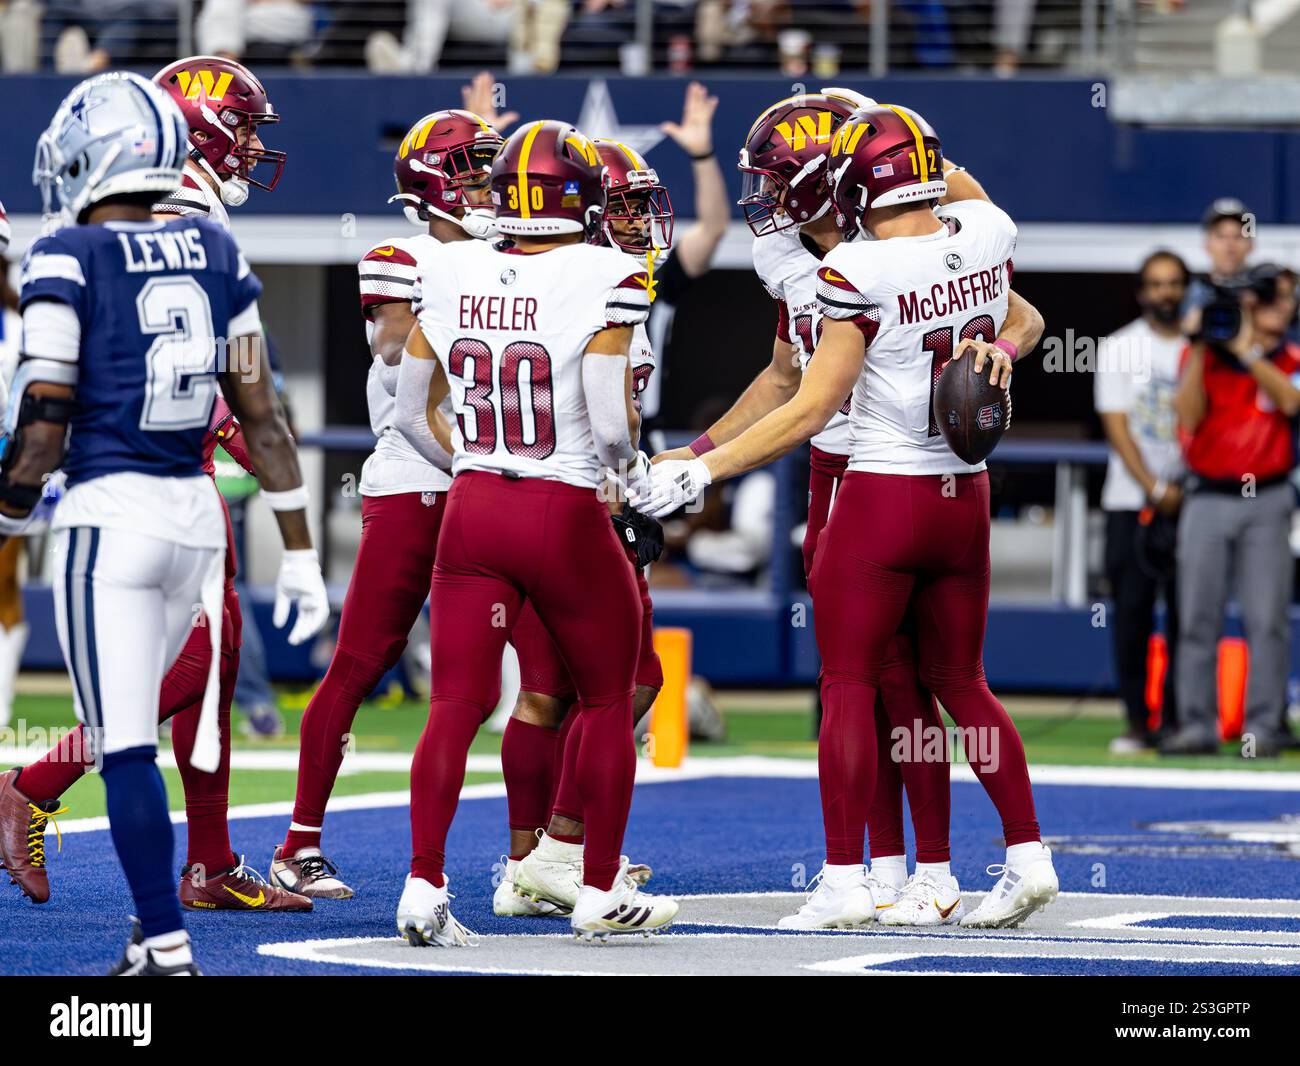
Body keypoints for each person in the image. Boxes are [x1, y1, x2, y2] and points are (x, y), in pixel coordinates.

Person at [636, 103, 1058, 930]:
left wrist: (706, 472)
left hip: (871, 483)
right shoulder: (977, 227)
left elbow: (814, 402)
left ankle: (874, 877)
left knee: (858, 686)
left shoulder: (857, 271)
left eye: (775, 178)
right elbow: (784, 376)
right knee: (942, 683)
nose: (766, 197)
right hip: (956, 486)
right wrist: (696, 452)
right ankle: (999, 857)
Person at [1, 71, 326, 973]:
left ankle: (204, 866)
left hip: (145, 487)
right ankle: (38, 783)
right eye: (243, 129)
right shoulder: (194, 233)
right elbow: (227, 389)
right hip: (160, 480)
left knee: (209, 678)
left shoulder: (101, 237)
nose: (255, 146)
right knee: (188, 671)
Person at [392, 119, 679, 944]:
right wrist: (631, 491)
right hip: (565, 507)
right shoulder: (607, 274)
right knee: (609, 692)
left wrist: (477, 471)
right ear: (578, 195)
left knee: (453, 703)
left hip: (475, 505)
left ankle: (422, 885)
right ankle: (593, 888)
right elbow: (612, 428)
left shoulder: (448, 269)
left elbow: (414, 413)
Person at [268, 108, 504, 901]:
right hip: (418, 484)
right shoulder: (402, 259)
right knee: (361, 664)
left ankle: (545, 852)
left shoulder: (503, 258)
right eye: (470, 167)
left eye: (488, 165)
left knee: (524, 674)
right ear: (435, 180)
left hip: (488, 483)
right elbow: (401, 375)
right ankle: (299, 841)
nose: (486, 181)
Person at [498, 135, 672, 918]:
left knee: (580, 690)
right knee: (571, 691)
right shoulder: (588, 285)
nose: (640, 220)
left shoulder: (609, 281)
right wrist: (624, 485)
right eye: (627, 204)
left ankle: (540, 857)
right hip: (565, 501)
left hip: (565, 498)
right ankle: (542, 857)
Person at [1167, 268, 1300, 758]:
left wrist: (1246, 349)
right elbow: (1187, 415)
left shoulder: (1288, 357)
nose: (1281, 308)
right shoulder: (1202, 355)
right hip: (1206, 497)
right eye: (1272, 299)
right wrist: (1203, 345)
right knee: (1198, 616)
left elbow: (1291, 402)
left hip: (1268, 498)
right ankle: (1196, 727)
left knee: (1267, 618)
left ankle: (1263, 728)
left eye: (1285, 300)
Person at [1095, 250, 1189, 753]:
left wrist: (1183, 489)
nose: (1165, 293)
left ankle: (1177, 721)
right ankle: (1137, 720)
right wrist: (1155, 489)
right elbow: (1118, 427)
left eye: (1174, 283)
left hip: (1190, 501)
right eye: (1156, 284)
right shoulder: (1120, 347)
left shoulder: (1199, 349)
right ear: (1142, 291)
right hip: (1131, 501)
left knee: (1184, 617)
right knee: (1131, 614)